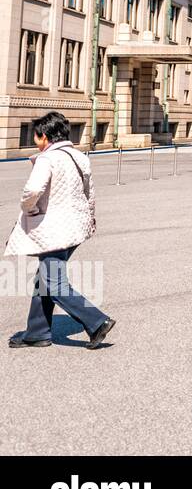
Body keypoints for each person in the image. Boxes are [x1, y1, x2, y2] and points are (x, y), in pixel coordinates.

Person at [6, 111, 115, 350]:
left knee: (53, 282)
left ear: (44, 136)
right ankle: (37, 332)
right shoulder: (79, 157)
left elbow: (32, 191)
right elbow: (90, 193)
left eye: (35, 136)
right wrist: (90, 219)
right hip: (75, 227)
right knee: (45, 279)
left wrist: (28, 210)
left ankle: (96, 321)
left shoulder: (47, 159)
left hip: (54, 229)